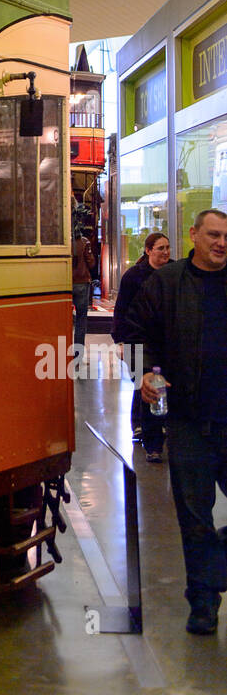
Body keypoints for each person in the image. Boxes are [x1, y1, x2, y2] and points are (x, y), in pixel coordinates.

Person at [126, 208, 227, 634]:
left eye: (226, 236)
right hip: (189, 423)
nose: (221, 243)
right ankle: (202, 602)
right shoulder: (166, 283)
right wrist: (145, 372)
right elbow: (130, 335)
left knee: (207, 531)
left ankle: (217, 563)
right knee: (194, 517)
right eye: (214, 235)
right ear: (194, 235)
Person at [111, 232, 170, 460]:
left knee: (157, 385)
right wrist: (120, 340)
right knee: (142, 383)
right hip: (138, 340)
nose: (165, 252)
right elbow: (121, 309)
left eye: (167, 248)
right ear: (148, 251)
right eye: (160, 248)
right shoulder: (133, 277)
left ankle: (153, 428)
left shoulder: (174, 273)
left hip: (164, 342)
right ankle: (149, 437)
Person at [71, 230, 95, 370]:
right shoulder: (85, 241)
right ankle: (77, 357)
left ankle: (61, 354)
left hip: (65, 282)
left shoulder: (62, 241)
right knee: (81, 321)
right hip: (81, 283)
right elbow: (91, 262)